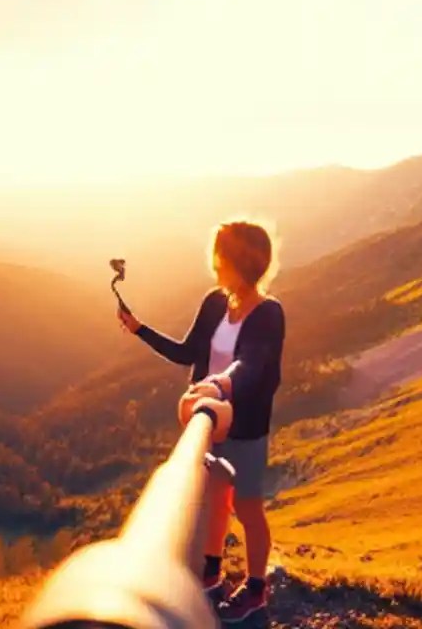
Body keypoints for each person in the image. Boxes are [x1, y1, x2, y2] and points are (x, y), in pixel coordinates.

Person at [118, 220, 285, 624]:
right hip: (206, 422)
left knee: (246, 508)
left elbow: (252, 365)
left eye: (221, 258)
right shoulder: (215, 302)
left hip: (244, 427)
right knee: (214, 500)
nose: (214, 266)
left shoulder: (268, 314)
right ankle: (211, 572)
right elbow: (186, 352)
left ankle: (256, 588)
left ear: (242, 262)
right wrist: (140, 330)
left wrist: (218, 385)